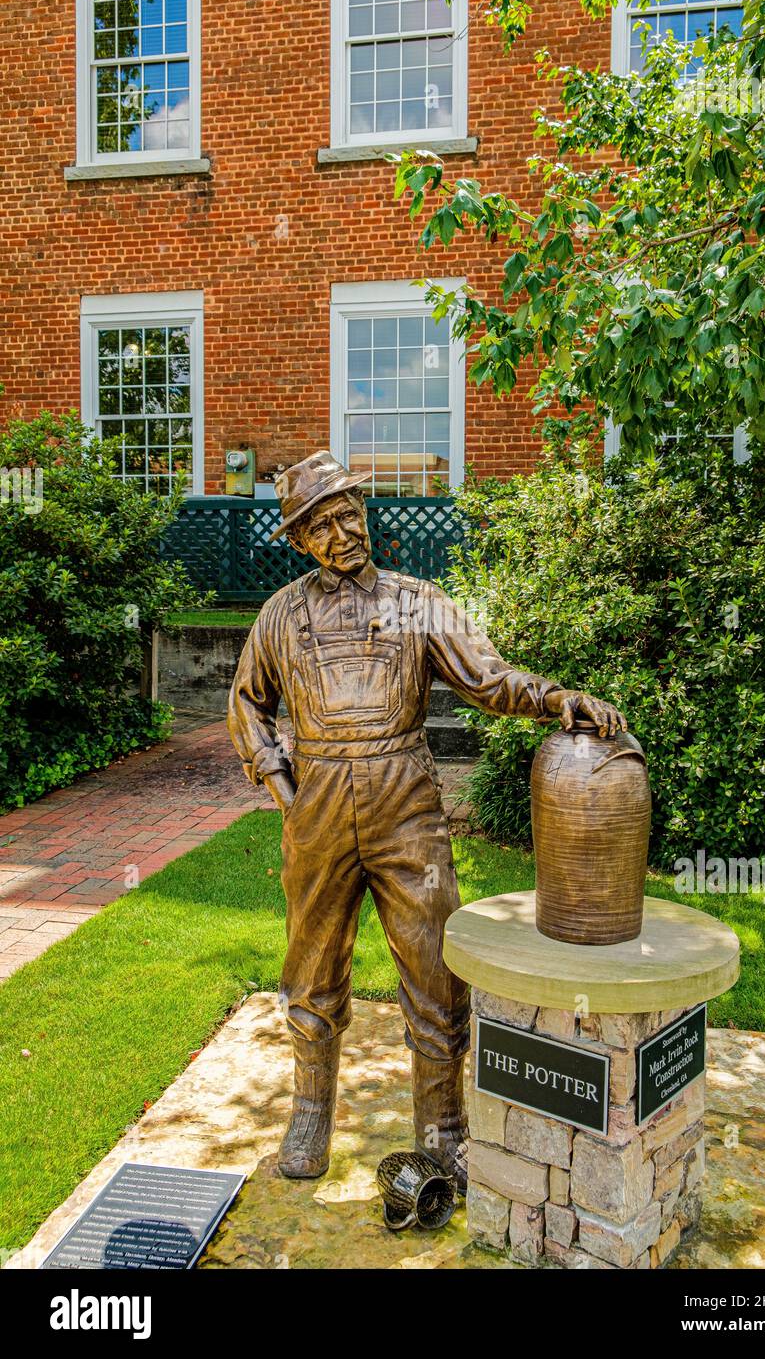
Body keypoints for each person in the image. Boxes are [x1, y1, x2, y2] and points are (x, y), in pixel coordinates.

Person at [227, 451, 626, 1187]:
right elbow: (247, 702)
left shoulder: (416, 601)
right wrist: (279, 779)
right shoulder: (280, 614)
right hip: (316, 805)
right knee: (310, 968)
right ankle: (310, 1112)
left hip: (404, 800)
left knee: (436, 966)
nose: (343, 531)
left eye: (350, 512)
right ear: (300, 541)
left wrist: (552, 697)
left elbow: (487, 676)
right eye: (322, 525)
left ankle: (443, 1126)